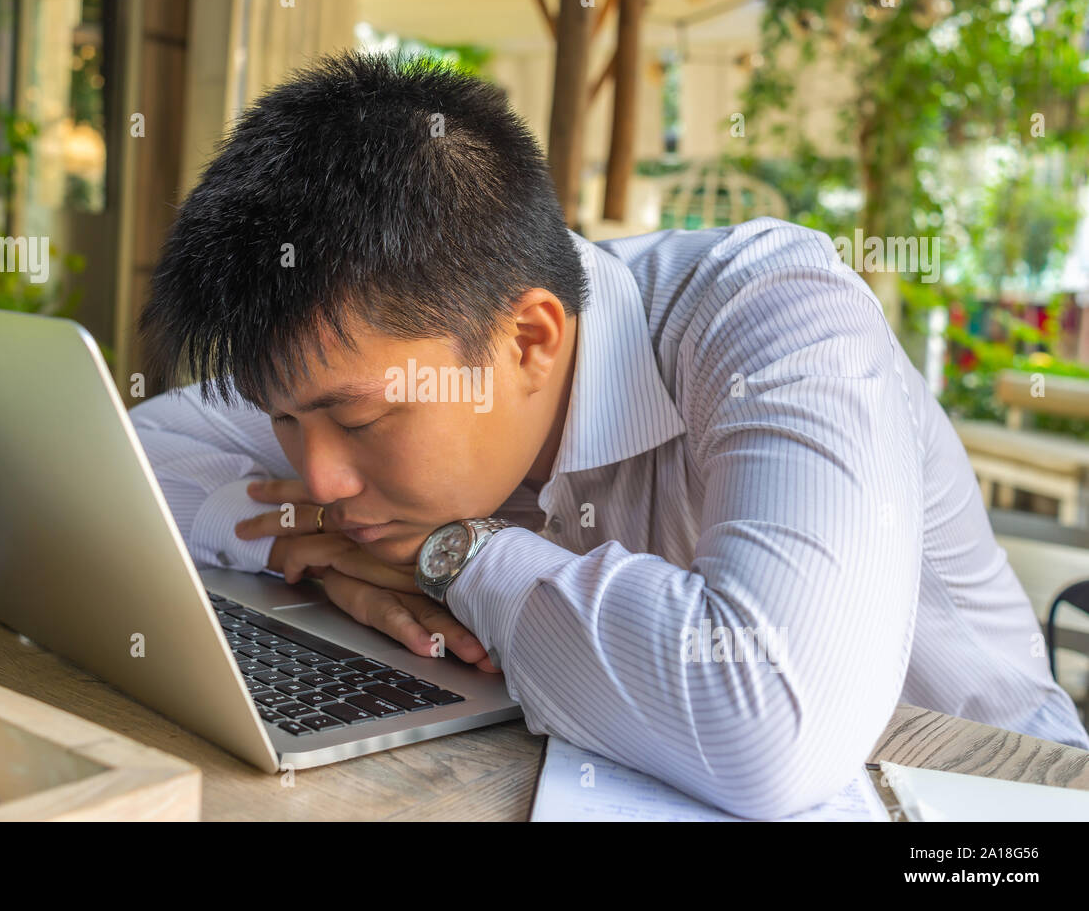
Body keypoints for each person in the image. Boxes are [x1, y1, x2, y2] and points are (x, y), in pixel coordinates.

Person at [128, 50, 1089, 819]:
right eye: (282, 419)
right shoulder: (378, 358)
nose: (323, 475)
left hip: (982, 794)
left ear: (532, 337)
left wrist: (459, 554)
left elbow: (768, 725)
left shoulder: (774, 316)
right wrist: (325, 557)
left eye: (360, 417)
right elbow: (139, 457)